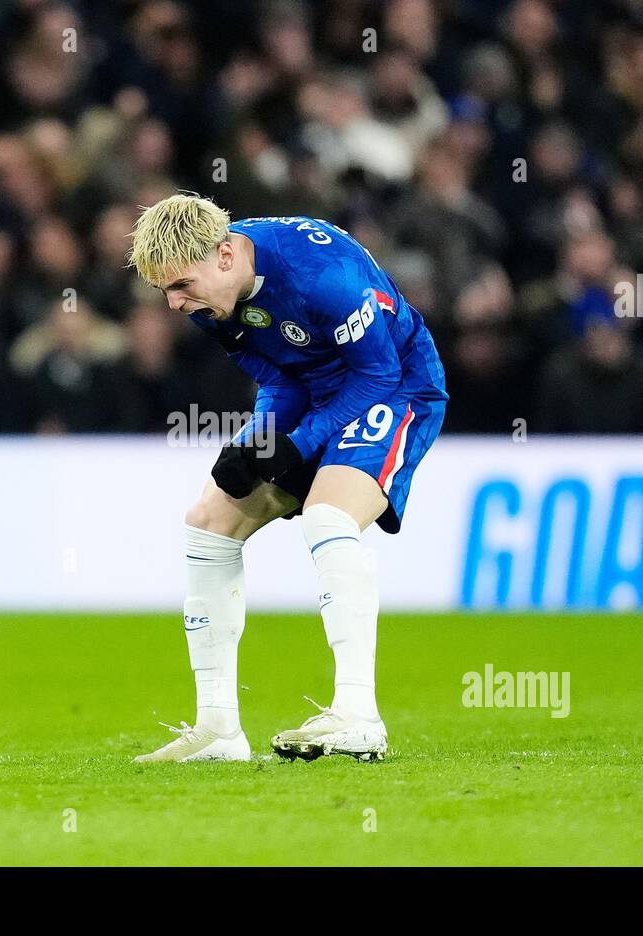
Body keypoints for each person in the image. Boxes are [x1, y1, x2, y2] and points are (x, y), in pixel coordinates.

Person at [127, 193, 448, 762]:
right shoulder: (213, 300)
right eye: (165, 292)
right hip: (322, 391)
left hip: (398, 388)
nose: (175, 304)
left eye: (181, 286)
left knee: (328, 516)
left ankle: (358, 715)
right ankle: (219, 729)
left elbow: (378, 373)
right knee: (207, 521)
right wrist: (255, 443)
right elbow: (281, 377)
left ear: (225, 255)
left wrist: (296, 445)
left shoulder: (323, 276)